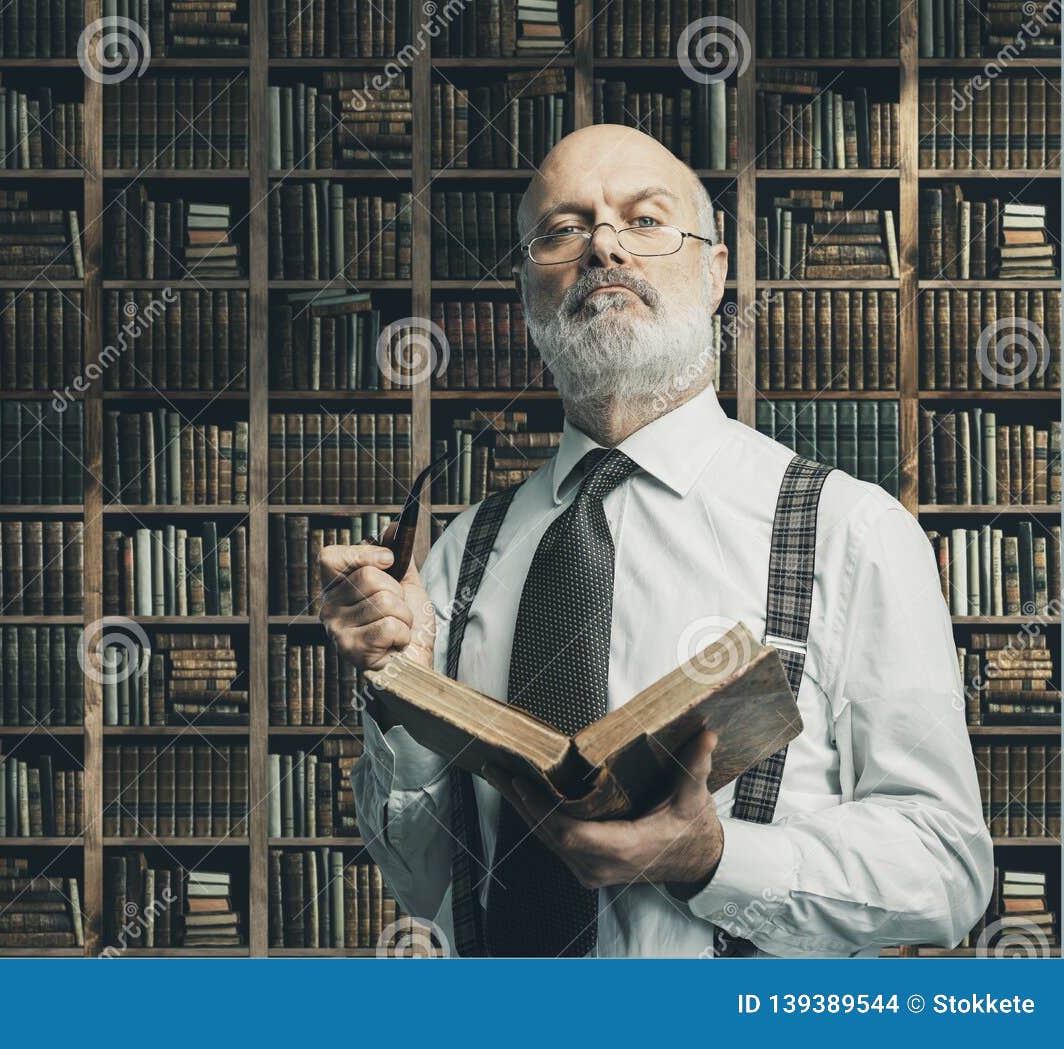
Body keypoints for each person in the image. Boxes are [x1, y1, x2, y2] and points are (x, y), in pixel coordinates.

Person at [318, 124, 993, 957]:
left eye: (644, 219)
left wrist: (715, 858)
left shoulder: (851, 532)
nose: (604, 246)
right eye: (563, 230)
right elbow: (424, 881)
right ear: (528, 295)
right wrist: (403, 695)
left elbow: (948, 868)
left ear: (714, 271)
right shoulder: (462, 553)